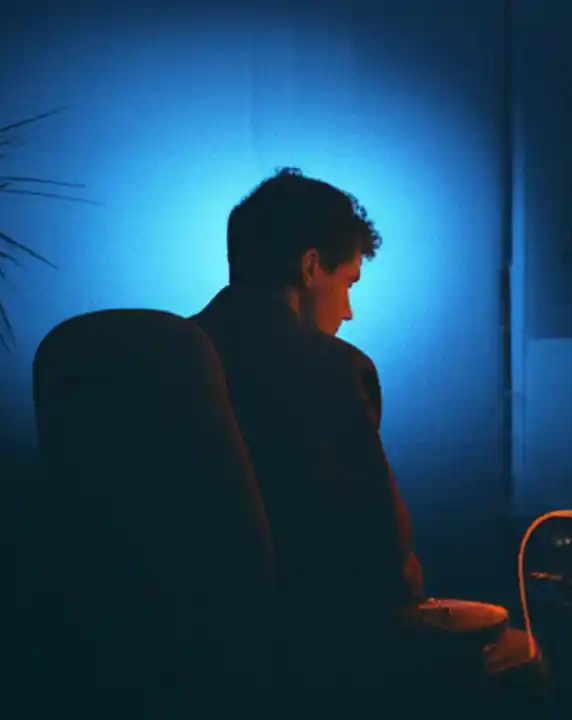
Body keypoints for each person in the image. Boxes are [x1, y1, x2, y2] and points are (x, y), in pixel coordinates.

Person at [192, 168, 542, 712]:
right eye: (348, 284)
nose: (349, 311)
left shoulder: (176, 355)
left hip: (191, 650)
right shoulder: (330, 368)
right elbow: (376, 548)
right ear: (311, 268)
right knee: (525, 656)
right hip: (312, 653)